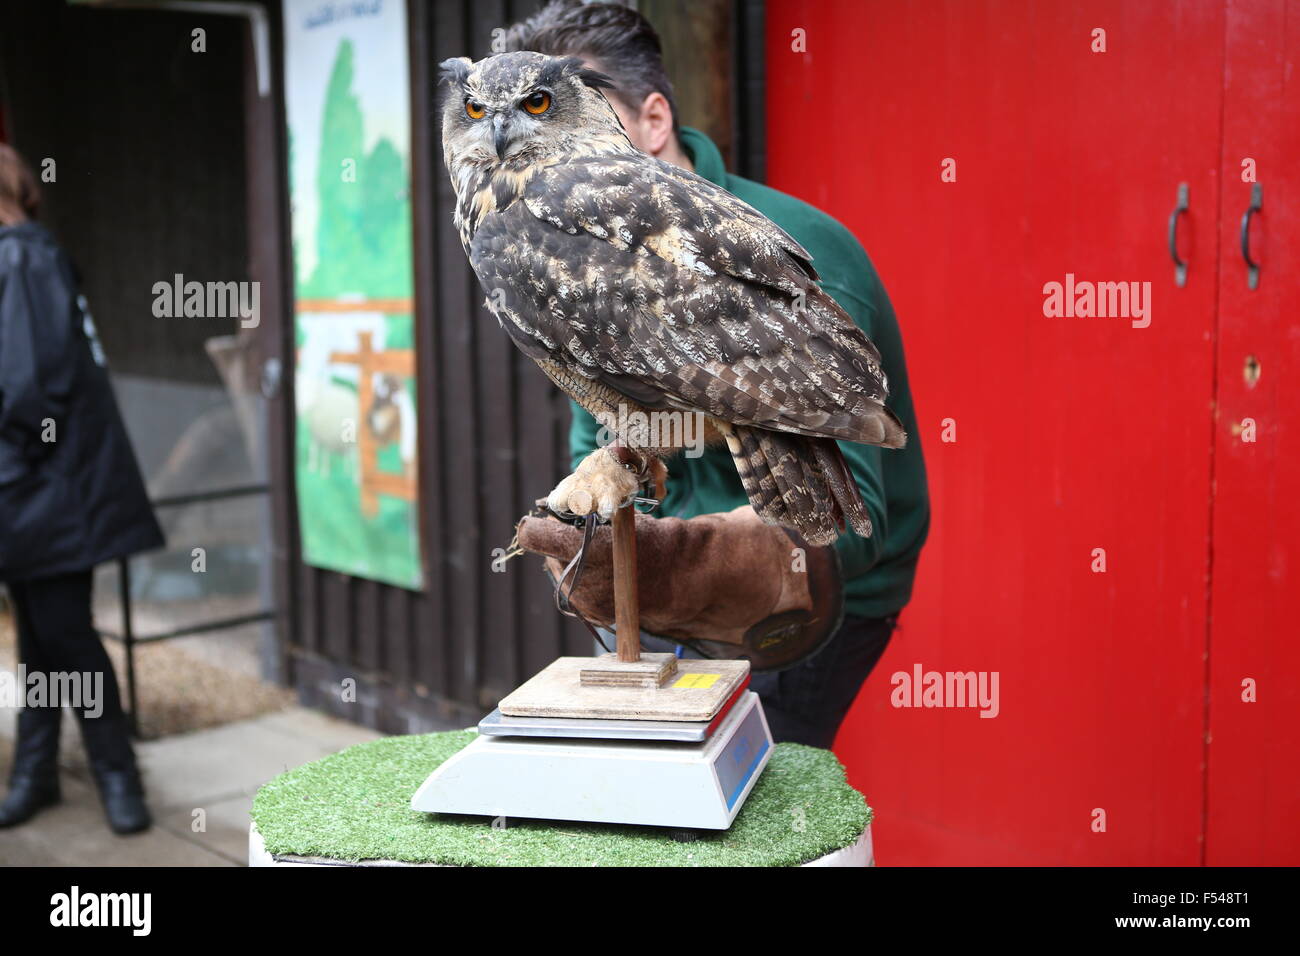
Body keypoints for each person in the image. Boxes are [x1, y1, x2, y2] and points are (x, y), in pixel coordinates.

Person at [502, 1, 930, 749]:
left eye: (569, 121)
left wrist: (691, 567)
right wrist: (605, 527)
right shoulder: (573, 252)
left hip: (813, 599)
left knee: (750, 809)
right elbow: (598, 428)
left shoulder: (789, 253)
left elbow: (847, 518)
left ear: (653, 120)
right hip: (667, 592)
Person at [0, 143, 163, 833]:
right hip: (44, 486)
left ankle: (117, 773)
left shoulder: (20, 258)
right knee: (41, 634)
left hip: (47, 489)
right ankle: (36, 774)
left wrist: (9, 469)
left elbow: (30, 389)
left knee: (65, 631)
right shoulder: (31, 253)